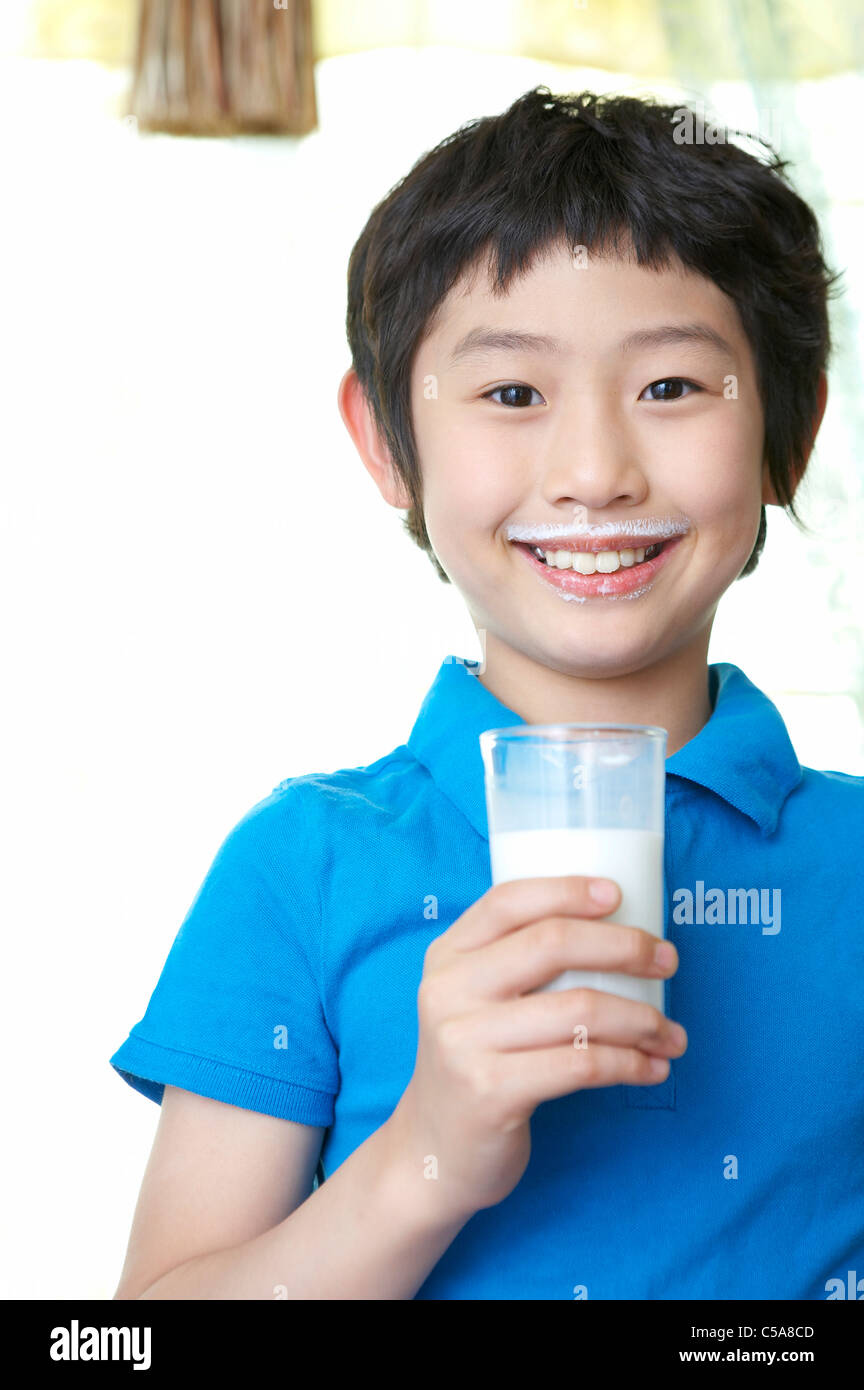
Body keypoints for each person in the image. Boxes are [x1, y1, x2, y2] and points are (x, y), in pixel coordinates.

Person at [109, 87, 863, 1300]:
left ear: (792, 428)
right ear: (386, 445)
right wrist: (425, 1157)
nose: (594, 474)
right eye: (512, 394)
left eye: (672, 386)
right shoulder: (300, 865)